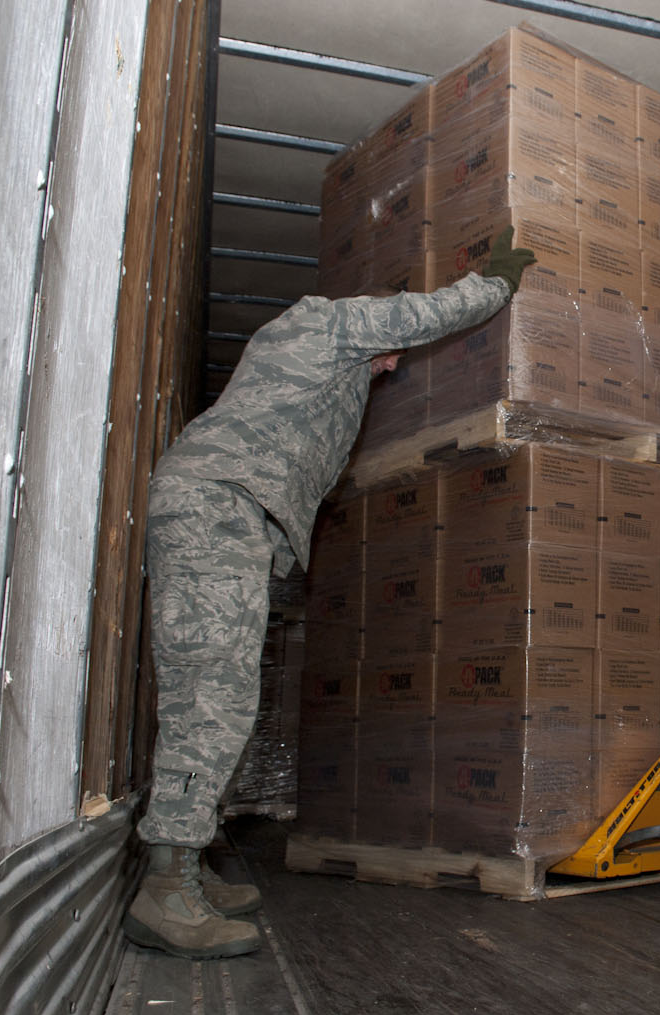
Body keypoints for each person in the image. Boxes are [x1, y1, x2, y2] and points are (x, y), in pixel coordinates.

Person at [121, 228, 536, 959]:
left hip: (226, 511)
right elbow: (418, 317)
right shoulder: (326, 320)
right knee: (212, 695)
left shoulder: (325, 368)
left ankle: (183, 865)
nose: (391, 366)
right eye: (391, 352)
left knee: (219, 694)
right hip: (217, 507)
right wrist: (493, 284)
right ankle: (164, 888)